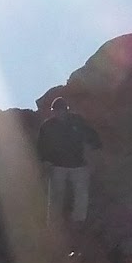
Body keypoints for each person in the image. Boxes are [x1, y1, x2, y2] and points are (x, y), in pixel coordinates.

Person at [36, 96, 102, 229]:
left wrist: (96, 150)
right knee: (56, 195)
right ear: (53, 111)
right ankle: (54, 225)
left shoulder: (77, 121)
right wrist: (45, 161)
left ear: (66, 110)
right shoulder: (48, 126)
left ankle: (79, 222)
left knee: (81, 193)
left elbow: (91, 135)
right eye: (57, 110)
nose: (60, 113)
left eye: (62, 110)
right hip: (57, 165)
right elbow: (41, 146)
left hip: (78, 163)